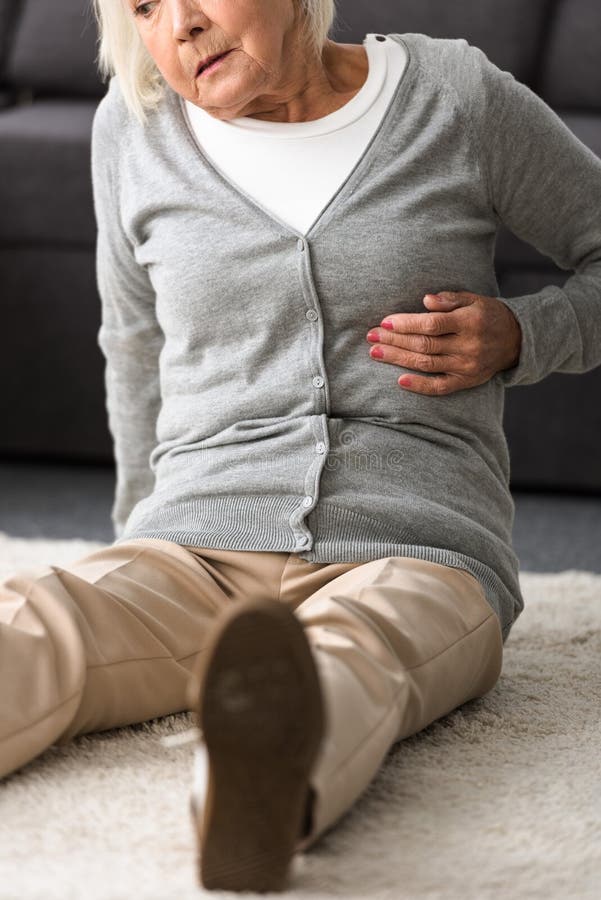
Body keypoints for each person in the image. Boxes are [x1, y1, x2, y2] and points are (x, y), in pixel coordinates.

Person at [2, 0, 600, 892]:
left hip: (417, 541)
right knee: (45, 618)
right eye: (143, 8)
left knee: (352, 652)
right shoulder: (134, 130)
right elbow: (133, 347)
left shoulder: (453, 97)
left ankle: (255, 789)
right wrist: (136, 538)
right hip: (197, 537)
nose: (180, 25)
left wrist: (525, 333)